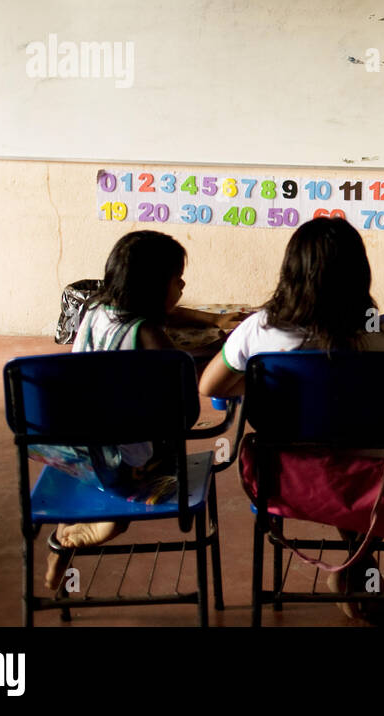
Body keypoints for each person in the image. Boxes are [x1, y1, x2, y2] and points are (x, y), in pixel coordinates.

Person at [199, 217, 384, 621]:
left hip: (288, 480)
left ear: (289, 274)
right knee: (366, 441)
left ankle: (357, 565)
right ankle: (359, 565)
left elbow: (211, 385)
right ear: (361, 276)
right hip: (378, 482)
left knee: (329, 439)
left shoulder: (258, 331)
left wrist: (275, 387)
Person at [38, 230, 237, 591]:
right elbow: (184, 415)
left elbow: (163, 313)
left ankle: (61, 537)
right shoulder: (149, 336)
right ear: (155, 287)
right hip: (125, 467)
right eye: (177, 278)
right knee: (155, 444)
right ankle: (104, 523)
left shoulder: (95, 309)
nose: (183, 282)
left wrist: (210, 319)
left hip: (69, 453)